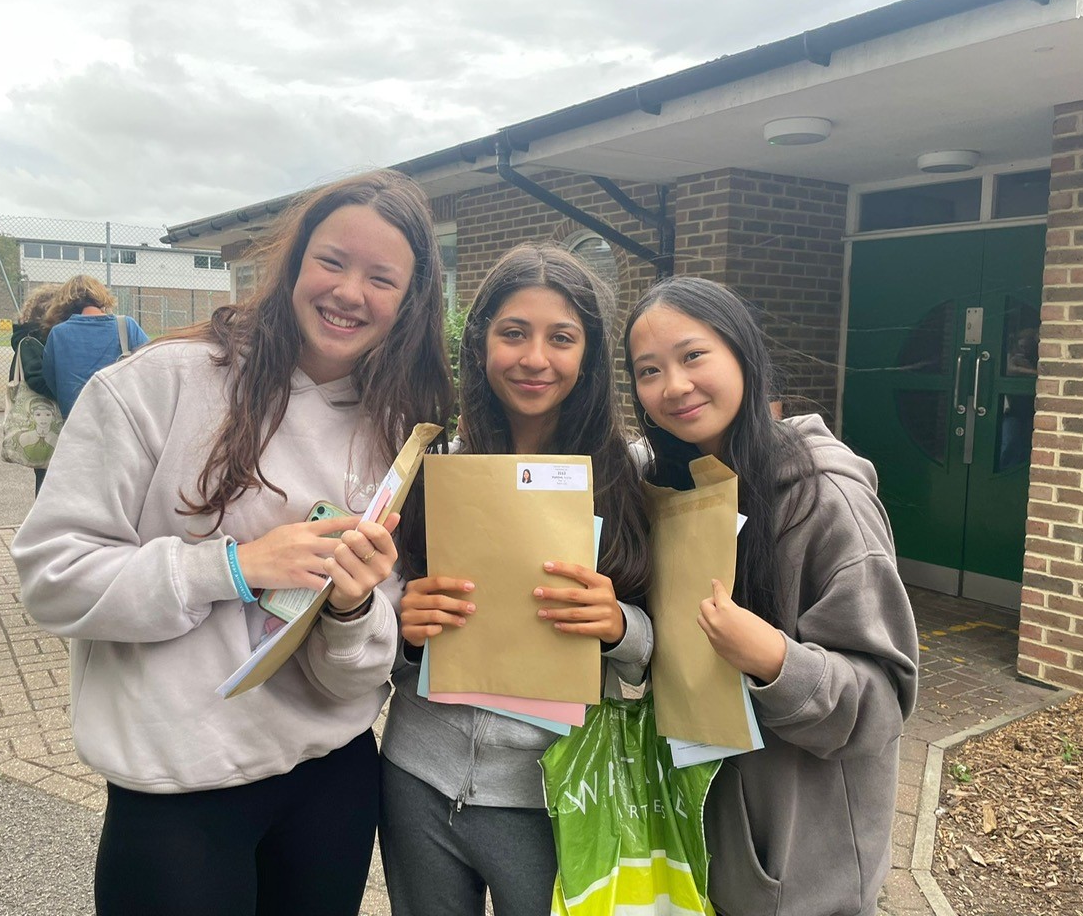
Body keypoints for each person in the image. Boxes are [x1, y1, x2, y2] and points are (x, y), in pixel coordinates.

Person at [10, 169, 453, 916]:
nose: (350, 292)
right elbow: (53, 578)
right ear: (293, 263)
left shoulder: (399, 429)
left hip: (332, 779)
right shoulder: (156, 384)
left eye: (383, 278)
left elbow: (356, 677)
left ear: (410, 301)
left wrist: (349, 612)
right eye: (333, 262)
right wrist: (234, 567)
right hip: (178, 792)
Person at [623, 277, 919, 916]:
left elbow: (885, 701)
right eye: (650, 371)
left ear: (744, 356)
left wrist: (776, 661)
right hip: (693, 839)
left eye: (693, 355)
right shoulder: (670, 489)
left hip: (799, 874)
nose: (674, 385)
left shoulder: (827, 501)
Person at [380, 244, 653, 916]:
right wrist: (403, 627)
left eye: (561, 338)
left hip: (555, 794)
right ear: (479, 345)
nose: (535, 358)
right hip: (418, 778)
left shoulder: (629, 476)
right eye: (513, 333)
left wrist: (620, 625)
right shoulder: (432, 461)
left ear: (588, 355)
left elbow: (666, 641)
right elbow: (369, 619)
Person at [40, 274, 149, 420]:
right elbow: (150, 368)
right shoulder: (126, 326)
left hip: (75, 421)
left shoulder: (58, 334)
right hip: (121, 421)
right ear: (101, 297)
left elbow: (50, 379)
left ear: (65, 303)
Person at [10, 285, 61, 495]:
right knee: (47, 477)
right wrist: (66, 389)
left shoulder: (32, 339)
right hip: (45, 417)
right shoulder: (31, 341)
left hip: (46, 423)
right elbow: (37, 379)